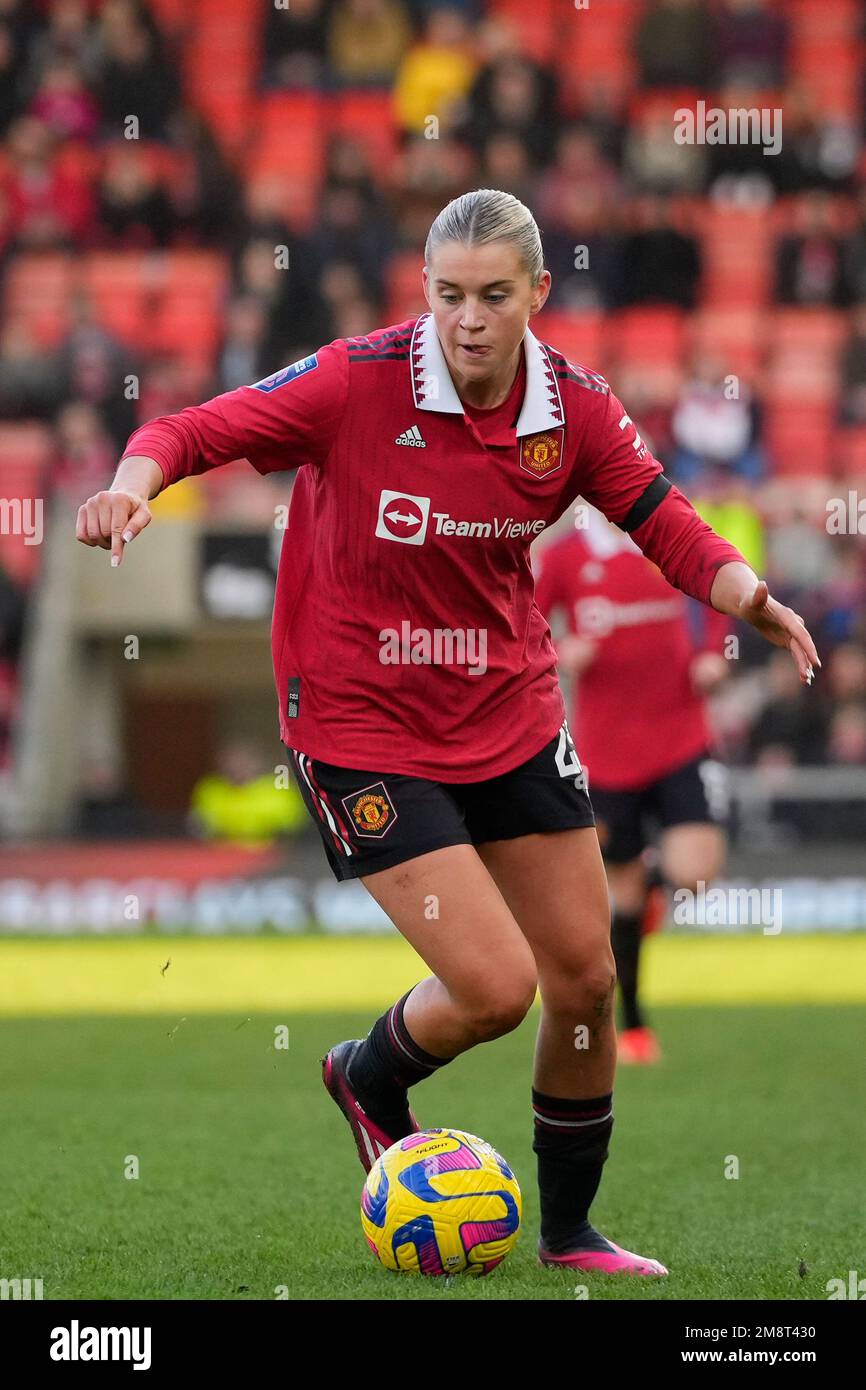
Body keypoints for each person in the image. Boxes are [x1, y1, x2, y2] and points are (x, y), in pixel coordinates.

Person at [75, 189, 820, 1278]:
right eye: (449, 294)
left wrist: (745, 594)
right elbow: (187, 428)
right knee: (492, 988)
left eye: (494, 296)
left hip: (506, 710)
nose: (468, 318)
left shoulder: (571, 406)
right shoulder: (352, 379)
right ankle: (366, 1074)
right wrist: (129, 485)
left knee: (584, 978)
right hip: (357, 720)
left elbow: (658, 515)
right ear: (424, 292)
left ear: (536, 295)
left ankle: (568, 1233)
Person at [534, 505, 732, 1064]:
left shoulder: (664, 543)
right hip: (607, 753)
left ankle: (653, 886)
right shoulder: (567, 557)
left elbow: (714, 592)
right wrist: (560, 651)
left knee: (694, 875)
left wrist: (712, 656)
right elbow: (524, 621)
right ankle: (636, 1025)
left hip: (680, 736)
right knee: (619, 899)